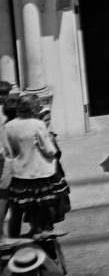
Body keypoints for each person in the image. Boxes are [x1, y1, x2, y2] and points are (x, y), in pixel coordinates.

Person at [3, 95, 67, 238]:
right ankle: (40, 231)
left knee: (18, 208)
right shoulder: (37, 124)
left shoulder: (8, 126)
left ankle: (14, 237)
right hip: (40, 171)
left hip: (19, 172)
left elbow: (8, 150)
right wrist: (53, 153)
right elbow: (48, 149)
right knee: (42, 205)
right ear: (33, 108)